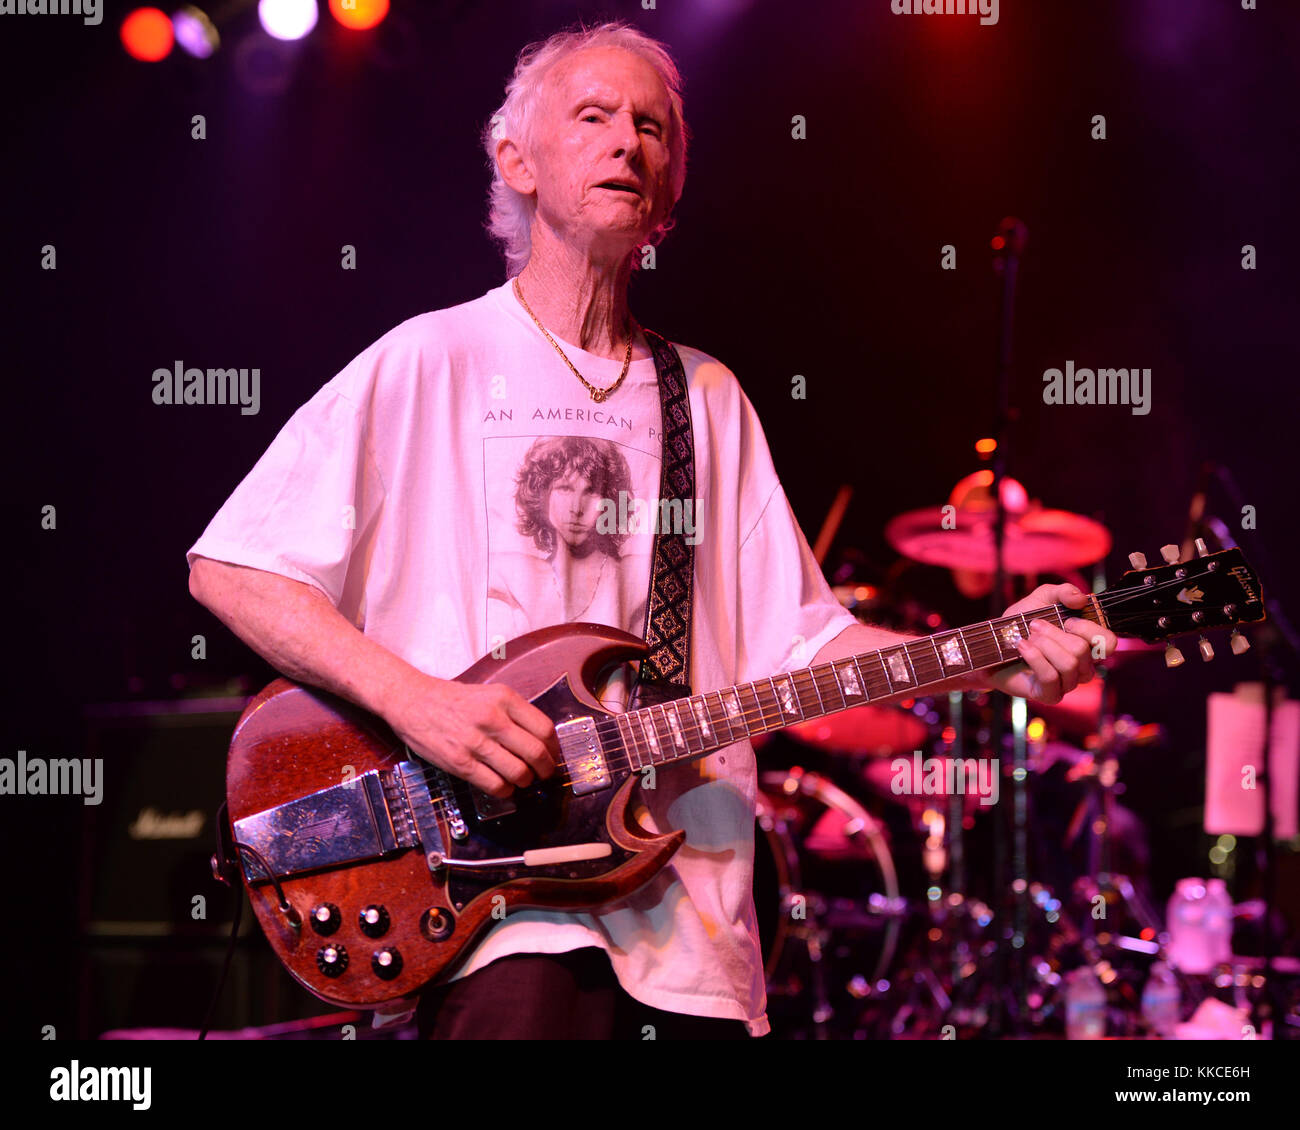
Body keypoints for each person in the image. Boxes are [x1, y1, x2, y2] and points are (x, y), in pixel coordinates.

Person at [187, 21, 1115, 1039]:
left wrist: (993, 656)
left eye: (652, 127)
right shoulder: (429, 360)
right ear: (515, 159)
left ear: (670, 194)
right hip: (494, 918)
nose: (628, 141)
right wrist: (420, 704)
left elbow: (805, 645)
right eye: (592, 117)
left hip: (689, 936)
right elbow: (236, 568)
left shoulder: (706, 398)